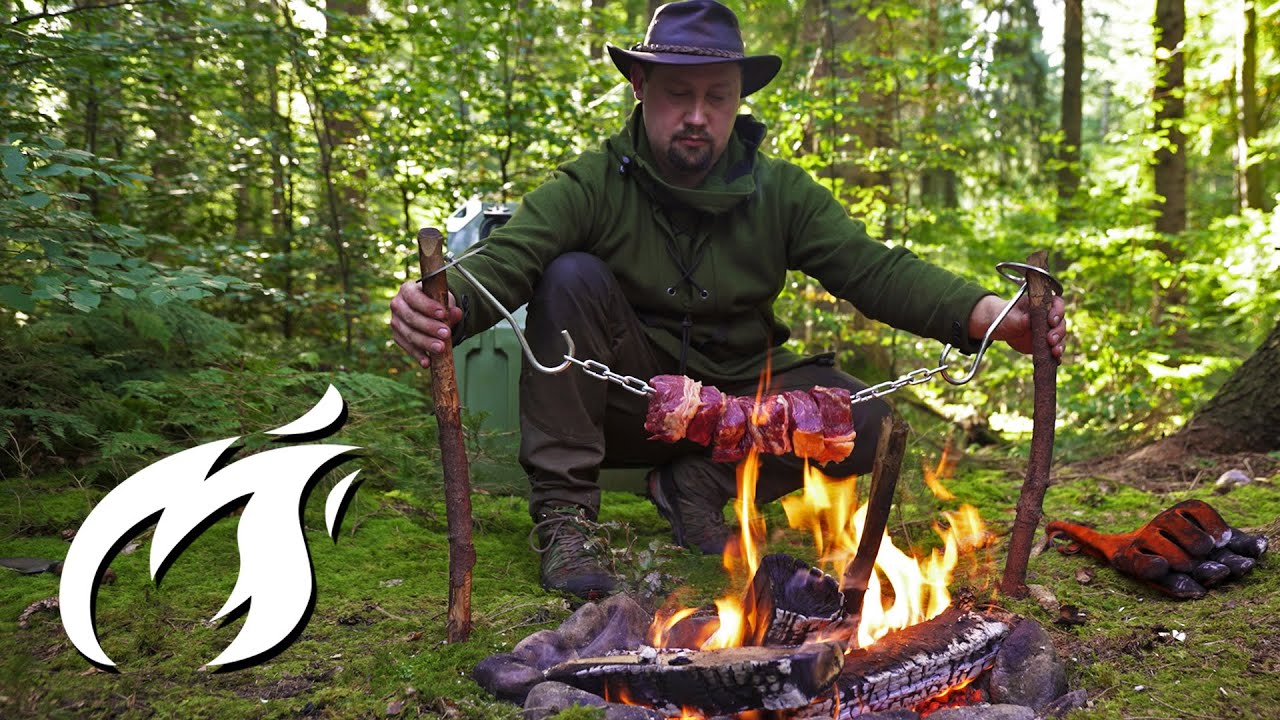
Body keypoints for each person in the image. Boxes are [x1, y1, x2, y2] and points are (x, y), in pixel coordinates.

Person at [390, 0, 1067, 601]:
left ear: (738, 99)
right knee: (568, 274)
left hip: (748, 397)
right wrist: (443, 303)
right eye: (677, 94)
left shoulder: (781, 191)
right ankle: (566, 519)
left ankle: (698, 484)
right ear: (639, 86)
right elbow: (511, 259)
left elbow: (872, 270)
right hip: (630, 398)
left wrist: (988, 316)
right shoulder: (594, 181)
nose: (696, 116)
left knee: (872, 421)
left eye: (717, 97)